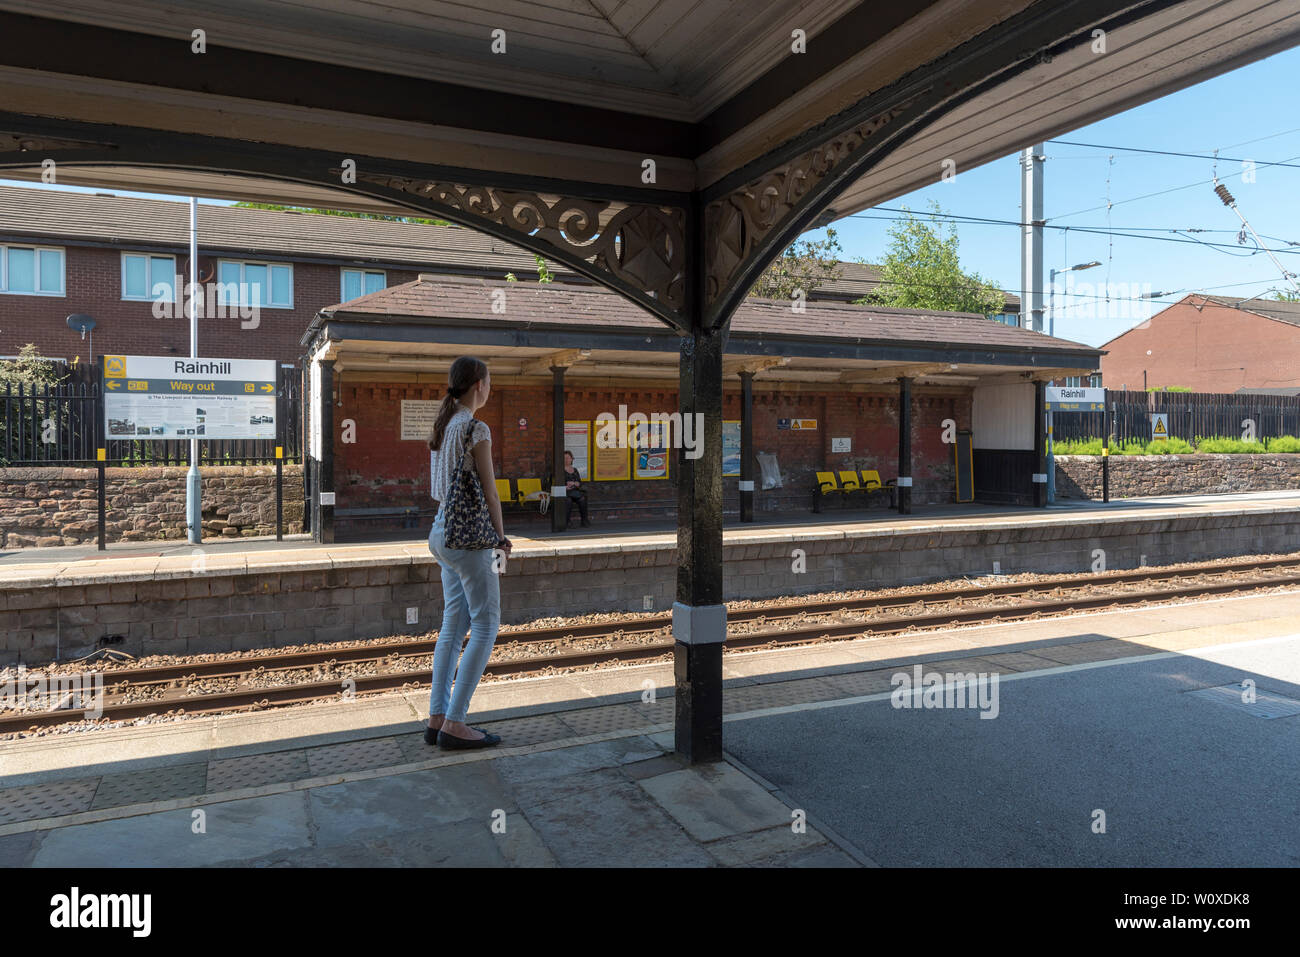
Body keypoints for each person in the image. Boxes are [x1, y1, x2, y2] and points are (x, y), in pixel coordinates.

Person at [425, 356, 512, 749]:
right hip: (471, 541)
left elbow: (437, 490)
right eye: (489, 381)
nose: (490, 387)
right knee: (486, 624)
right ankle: (456, 723)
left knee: (452, 626)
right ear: (478, 384)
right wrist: (501, 537)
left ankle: (437, 716)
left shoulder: (444, 425)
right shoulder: (477, 428)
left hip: (441, 534)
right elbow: (492, 493)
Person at [561, 449, 590, 528]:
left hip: (575, 491)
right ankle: (566, 522)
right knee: (568, 501)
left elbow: (579, 483)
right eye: (564, 458)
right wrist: (565, 487)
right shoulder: (559, 470)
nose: (566, 460)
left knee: (583, 499)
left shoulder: (575, 470)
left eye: (568, 458)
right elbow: (556, 484)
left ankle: (584, 521)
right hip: (565, 492)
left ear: (571, 459)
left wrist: (575, 483)